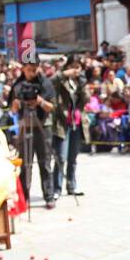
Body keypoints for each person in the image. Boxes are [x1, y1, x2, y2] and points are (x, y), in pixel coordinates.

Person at [10, 59, 57, 208]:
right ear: (23, 69)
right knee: (25, 164)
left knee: (45, 163)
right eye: (30, 69)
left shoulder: (45, 83)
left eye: (35, 69)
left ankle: (49, 196)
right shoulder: (17, 85)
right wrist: (16, 105)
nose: (33, 72)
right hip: (26, 126)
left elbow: (51, 107)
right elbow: (12, 110)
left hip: (43, 126)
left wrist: (40, 102)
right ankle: (24, 197)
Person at [51, 59, 86, 197]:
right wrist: (64, 74)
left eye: (78, 67)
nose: (76, 70)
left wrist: (83, 84)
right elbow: (50, 81)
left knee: (73, 158)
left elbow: (86, 99)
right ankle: (57, 189)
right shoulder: (61, 81)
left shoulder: (80, 83)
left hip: (77, 123)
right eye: (73, 67)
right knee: (61, 157)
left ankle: (72, 186)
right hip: (62, 123)